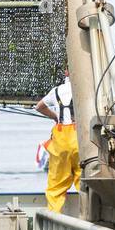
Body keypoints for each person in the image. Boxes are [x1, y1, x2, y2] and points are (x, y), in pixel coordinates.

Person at [34, 72, 80, 212]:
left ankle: (55, 216)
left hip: (60, 140)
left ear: (66, 74)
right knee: (83, 179)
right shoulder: (83, 89)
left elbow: (39, 107)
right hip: (78, 138)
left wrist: (55, 117)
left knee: (56, 184)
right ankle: (88, 215)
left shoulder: (56, 91)